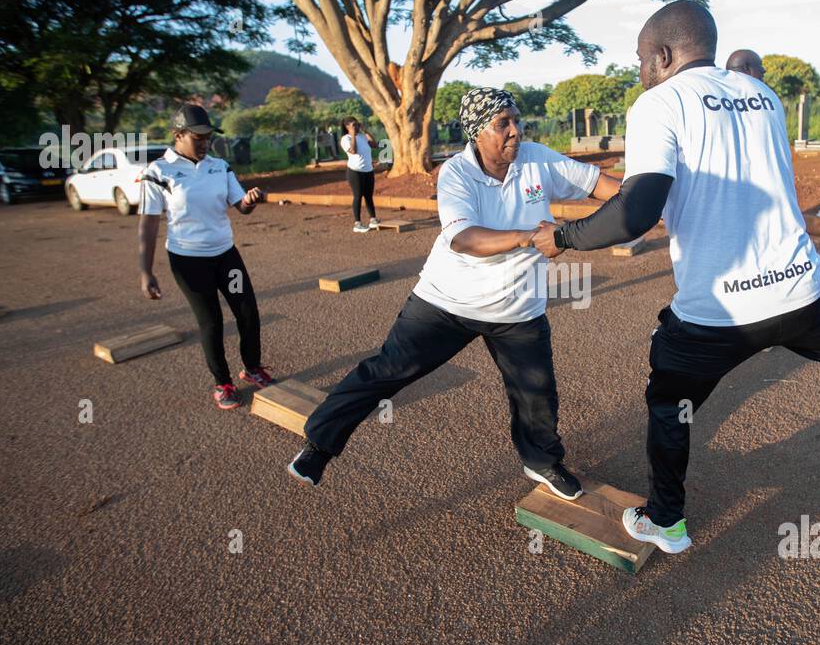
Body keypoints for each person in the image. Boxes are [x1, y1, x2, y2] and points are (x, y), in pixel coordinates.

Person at [532, 0, 820, 554]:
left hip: (720, 311)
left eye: (642, 59)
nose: (641, 70)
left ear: (664, 55)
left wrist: (563, 238)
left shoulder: (658, 104)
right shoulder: (762, 95)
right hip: (800, 287)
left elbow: (635, 212)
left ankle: (668, 521)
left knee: (669, 405)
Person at [287, 88, 622, 497]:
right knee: (388, 370)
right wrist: (531, 237)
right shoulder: (456, 173)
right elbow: (464, 238)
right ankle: (319, 446)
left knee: (536, 393)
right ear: (477, 133)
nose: (515, 131)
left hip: (517, 308)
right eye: (503, 124)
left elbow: (605, 186)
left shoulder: (536, 158)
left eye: (517, 120)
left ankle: (542, 463)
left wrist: (641, 197)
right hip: (446, 301)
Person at [138, 104, 272, 410]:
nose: (204, 142)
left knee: (247, 312)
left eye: (208, 136)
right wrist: (145, 271)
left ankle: (252, 368)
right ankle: (223, 383)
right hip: (188, 261)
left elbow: (240, 206)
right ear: (178, 135)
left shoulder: (219, 166)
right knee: (211, 322)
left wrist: (250, 200)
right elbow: (148, 224)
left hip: (226, 256)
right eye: (197, 137)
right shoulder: (158, 172)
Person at [341, 117, 379, 232]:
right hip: (355, 172)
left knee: (368, 196)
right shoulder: (345, 139)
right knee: (358, 196)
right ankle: (357, 224)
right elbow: (353, 151)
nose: (357, 127)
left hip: (368, 170)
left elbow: (374, 144)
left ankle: (373, 220)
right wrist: (352, 135)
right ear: (347, 127)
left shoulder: (362, 137)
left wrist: (366, 130)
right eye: (354, 125)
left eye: (357, 124)